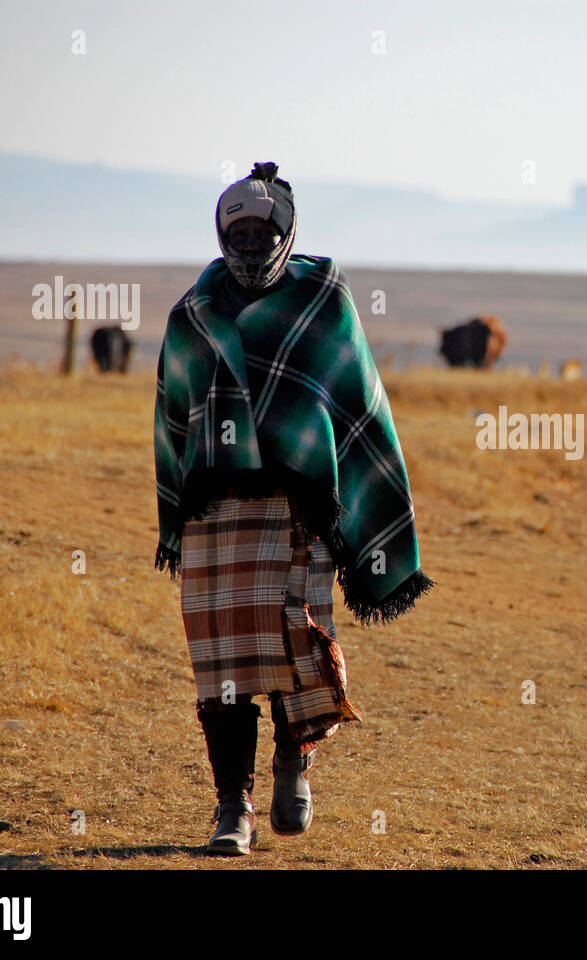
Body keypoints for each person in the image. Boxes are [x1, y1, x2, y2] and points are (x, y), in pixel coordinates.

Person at [153, 161, 433, 855]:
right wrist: (173, 515)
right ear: (222, 234)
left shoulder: (323, 300)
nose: (250, 244)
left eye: (262, 230)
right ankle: (232, 809)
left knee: (289, 650)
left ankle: (293, 762)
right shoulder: (192, 312)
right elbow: (173, 418)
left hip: (294, 510)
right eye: (237, 231)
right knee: (220, 663)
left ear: (285, 230)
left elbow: (358, 405)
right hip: (216, 513)